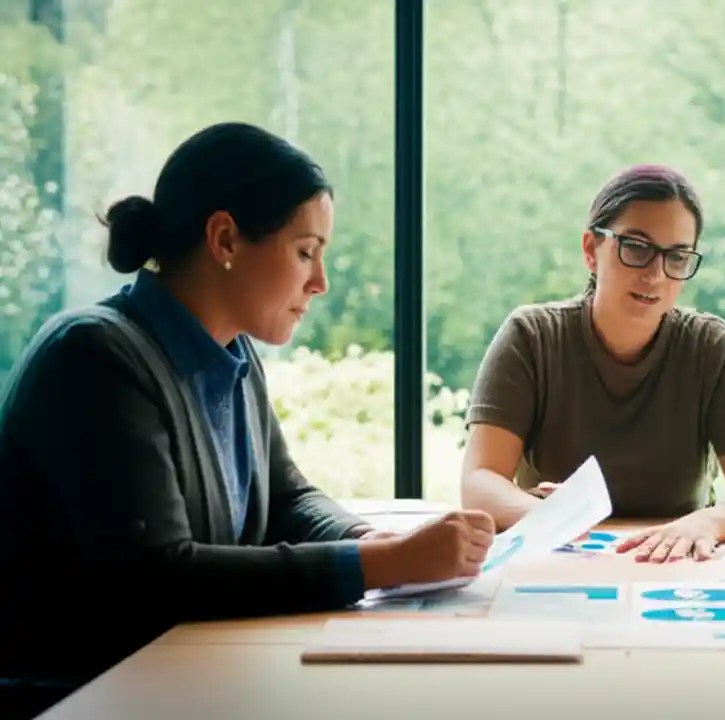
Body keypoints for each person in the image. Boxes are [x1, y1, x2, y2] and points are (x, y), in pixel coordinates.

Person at [0, 122, 494, 711]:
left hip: (183, 678)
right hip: (85, 697)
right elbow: (158, 581)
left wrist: (370, 538)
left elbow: (288, 499)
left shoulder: (233, 352)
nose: (320, 282)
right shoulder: (94, 358)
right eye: (305, 252)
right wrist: (379, 564)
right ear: (226, 239)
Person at [460, 164, 725, 562]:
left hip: (676, 561)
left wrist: (706, 523)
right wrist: (547, 516)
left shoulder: (710, 347)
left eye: (677, 256)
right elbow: (479, 480)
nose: (655, 274)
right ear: (590, 250)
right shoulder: (531, 337)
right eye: (636, 247)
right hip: (557, 558)